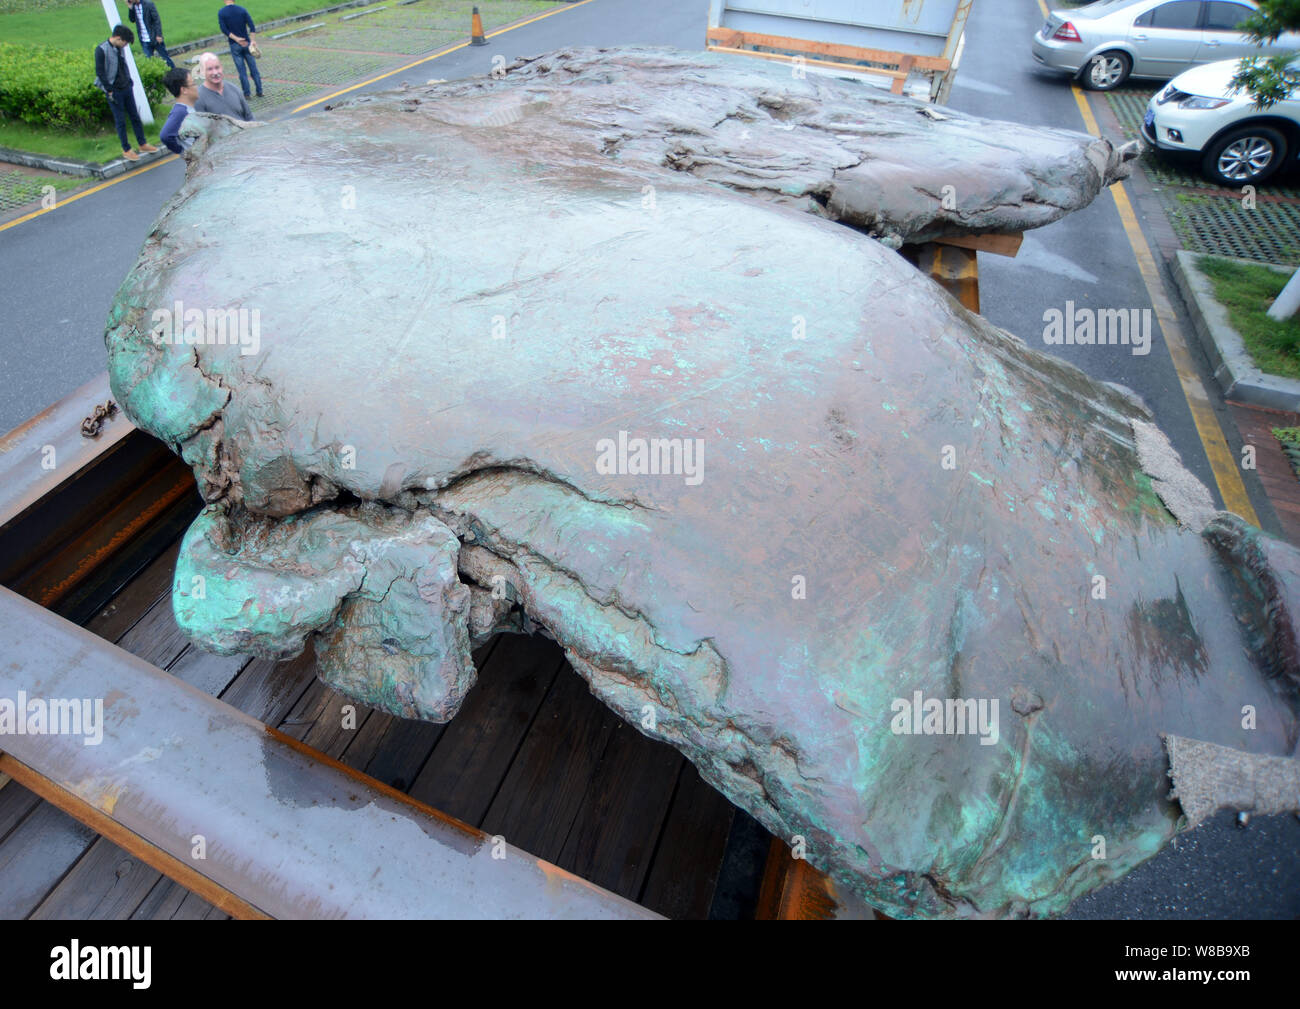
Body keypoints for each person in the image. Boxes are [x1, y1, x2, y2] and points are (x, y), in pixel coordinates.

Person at [93, 26, 159, 162]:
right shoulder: (101, 50)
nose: (125, 46)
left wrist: (129, 81)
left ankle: (142, 143)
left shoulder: (120, 48)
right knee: (120, 121)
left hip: (126, 87)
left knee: (135, 116)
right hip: (114, 90)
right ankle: (126, 149)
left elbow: (123, 65)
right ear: (118, 38)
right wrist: (109, 89)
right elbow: (100, 72)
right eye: (125, 42)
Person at [217, 0, 262, 99]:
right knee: (253, 69)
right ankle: (259, 91)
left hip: (235, 45)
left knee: (242, 71)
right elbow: (252, 26)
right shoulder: (242, 10)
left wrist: (237, 39)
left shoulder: (221, 12)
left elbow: (224, 29)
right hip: (247, 43)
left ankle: (247, 94)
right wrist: (253, 40)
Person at [193, 51, 254, 122]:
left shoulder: (234, 89)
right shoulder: (198, 98)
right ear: (202, 72)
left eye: (217, 67)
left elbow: (249, 117)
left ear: (222, 68)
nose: (215, 72)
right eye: (210, 69)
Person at [159, 66, 198, 154]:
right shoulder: (180, 112)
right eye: (193, 84)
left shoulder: (189, 109)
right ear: (184, 90)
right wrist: (182, 152)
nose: (196, 87)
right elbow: (165, 136)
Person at [126, 0, 174, 69]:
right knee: (149, 61)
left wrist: (159, 35)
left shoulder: (148, 4)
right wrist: (130, 8)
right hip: (144, 39)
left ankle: (175, 73)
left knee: (165, 58)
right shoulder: (133, 6)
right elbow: (132, 19)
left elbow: (156, 20)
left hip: (155, 37)